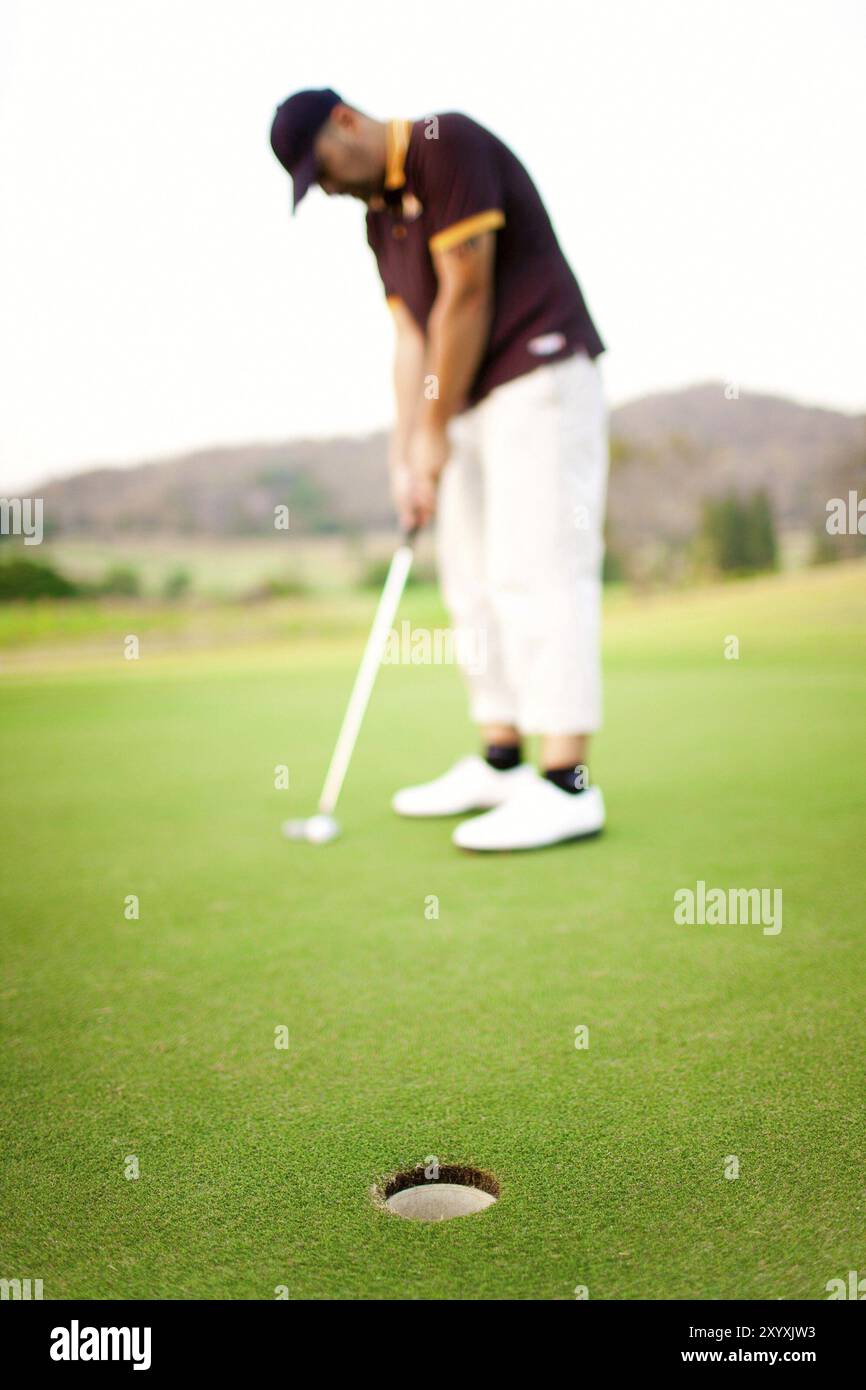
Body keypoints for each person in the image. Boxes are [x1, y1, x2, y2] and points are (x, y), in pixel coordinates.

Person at [270, 89, 608, 851]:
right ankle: (503, 760)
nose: (322, 187)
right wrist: (406, 456)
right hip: (466, 403)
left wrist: (432, 427)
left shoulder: (443, 143)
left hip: (539, 374)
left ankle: (567, 786)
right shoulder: (376, 221)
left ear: (346, 122)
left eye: (318, 167)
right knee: (470, 578)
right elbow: (412, 342)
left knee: (539, 569)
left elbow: (466, 291)